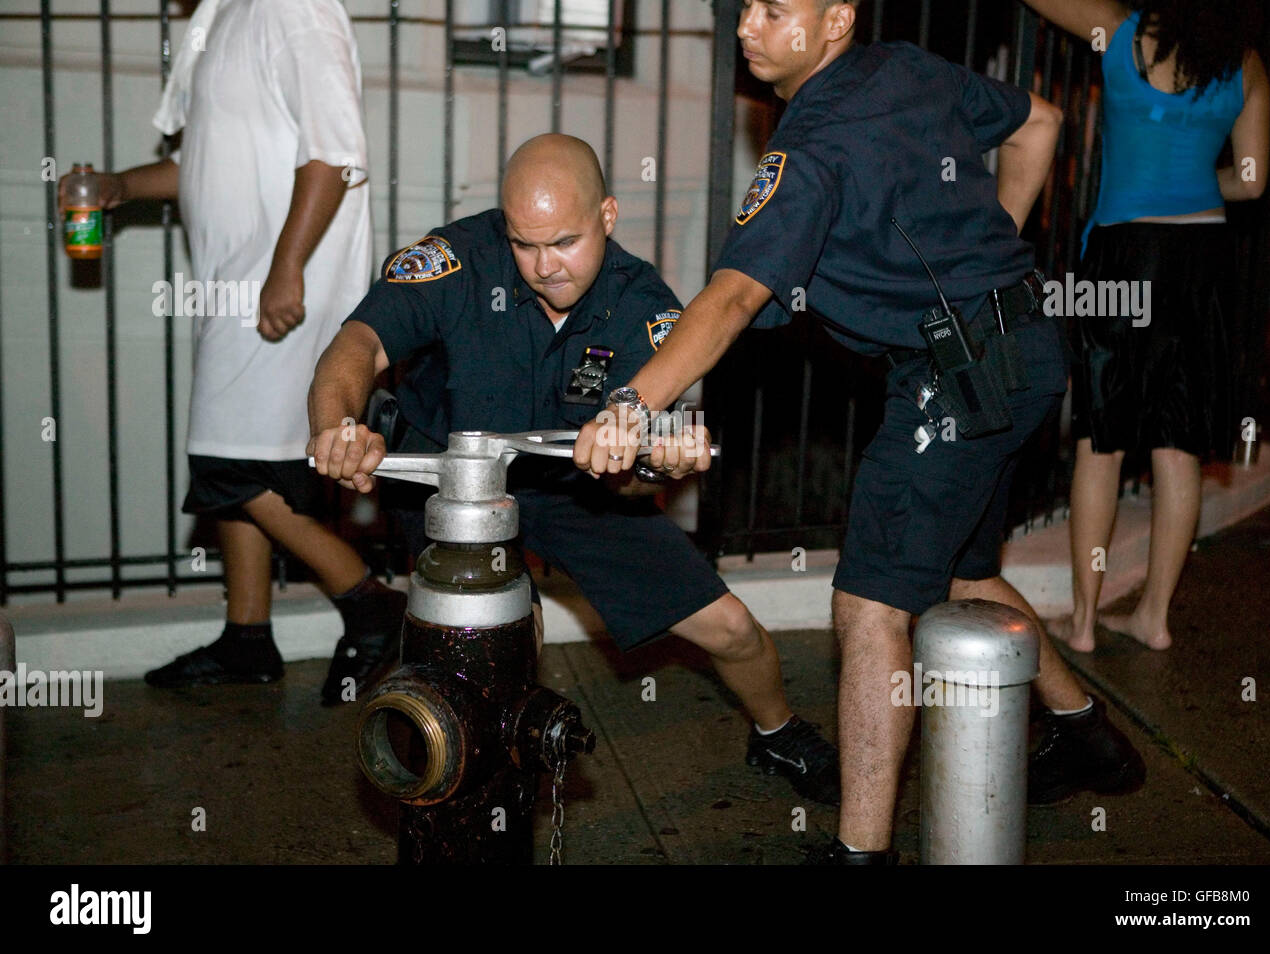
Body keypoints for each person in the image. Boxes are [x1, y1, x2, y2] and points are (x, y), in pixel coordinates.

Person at [574, 0, 1146, 862]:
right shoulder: (908, 68)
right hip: (1023, 349)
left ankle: (859, 852)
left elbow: (733, 298)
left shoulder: (810, 145)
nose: (748, 26)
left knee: (872, 606)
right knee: (962, 571)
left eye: (776, 9)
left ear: (836, 17)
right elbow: (1044, 122)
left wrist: (632, 405)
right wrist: (990, 262)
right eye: (747, 8)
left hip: (957, 378)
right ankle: (1090, 736)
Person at [306, 133, 841, 805]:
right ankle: (472, 790)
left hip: (577, 489)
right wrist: (337, 425)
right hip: (460, 488)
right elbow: (356, 343)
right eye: (524, 244)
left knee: (731, 629)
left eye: (564, 241)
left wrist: (657, 465)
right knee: (494, 653)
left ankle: (778, 732)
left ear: (607, 216)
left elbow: (654, 459)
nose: (543, 265)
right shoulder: (456, 261)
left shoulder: (644, 305)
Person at [59, 0, 406, 706]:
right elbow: (201, 163)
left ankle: (373, 608)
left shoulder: (294, 7)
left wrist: (287, 266)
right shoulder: (221, 18)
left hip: (284, 284)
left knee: (231, 465)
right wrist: (123, 187)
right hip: (236, 286)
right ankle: (247, 637)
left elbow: (334, 153)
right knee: (239, 453)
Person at [1019, 0, 1270, 653]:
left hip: (1124, 254)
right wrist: (1188, 176)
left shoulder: (1123, 31)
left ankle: (1081, 622)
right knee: (1176, 443)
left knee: (1102, 439)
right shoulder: (1246, 65)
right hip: (1200, 262)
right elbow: (1252, 181)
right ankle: (1154, 616)